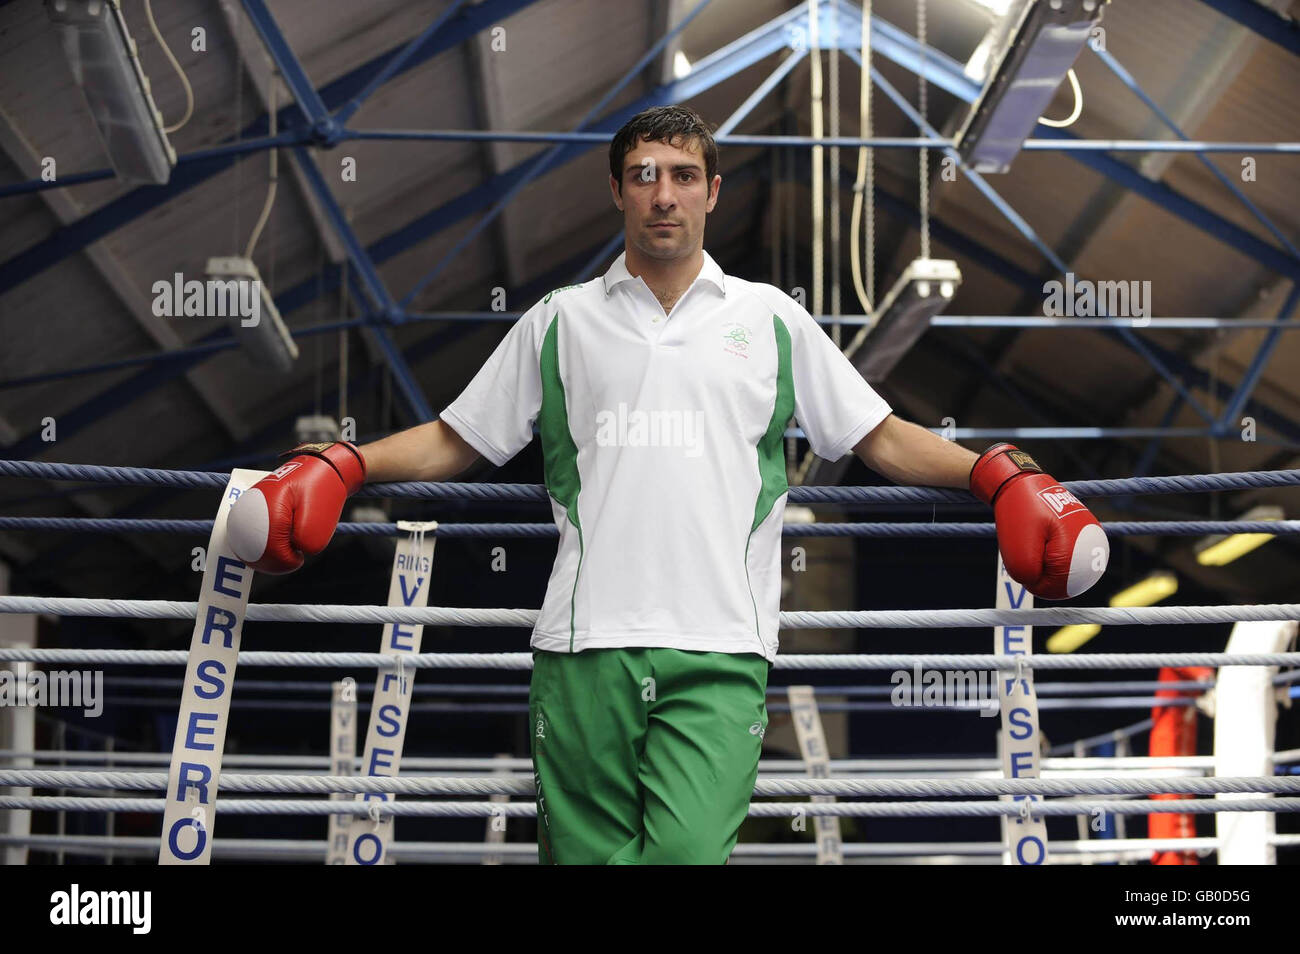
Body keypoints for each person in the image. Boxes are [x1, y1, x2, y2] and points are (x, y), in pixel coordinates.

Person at [227, 105, 1109, 865]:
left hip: (721, 645)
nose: (664, 194)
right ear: (617, 190)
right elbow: (459, 441)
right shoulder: (559, 320)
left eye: (684, 175)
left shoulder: (770, 318)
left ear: (711, 192)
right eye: (643, 175)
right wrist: (345, 462)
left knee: (687, 851)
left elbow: (877, 436)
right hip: (582, 645)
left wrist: (999, 472)